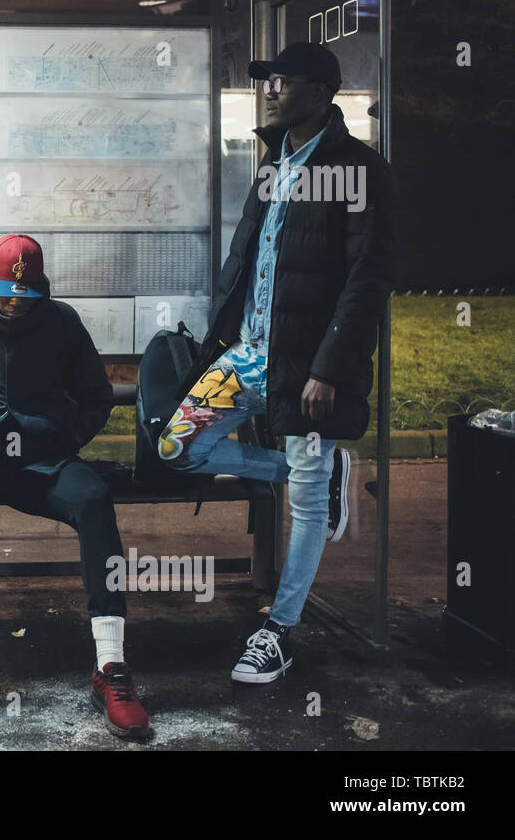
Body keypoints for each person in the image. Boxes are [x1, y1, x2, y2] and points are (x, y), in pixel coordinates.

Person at [158, 42, 394, 683]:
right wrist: (218, 343)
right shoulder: (275, 160)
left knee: (308, 504)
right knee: (177, 445)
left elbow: (365, 280)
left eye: (282, 81)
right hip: (251, 355)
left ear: (320, 94)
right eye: (266, 80)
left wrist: (329, 369)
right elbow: (248, 261)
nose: (269, 89)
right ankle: (306, 472)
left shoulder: (359, 169)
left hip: (307, 367)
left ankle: (281, 629)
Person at [0, 233, 150, 740]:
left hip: (41, 461)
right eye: (6, 289)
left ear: (40, 285)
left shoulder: (61, 322)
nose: (16, 299)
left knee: (93, 498)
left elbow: (96, 397)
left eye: (27, 291)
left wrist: (63, 437)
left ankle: (111, 666)